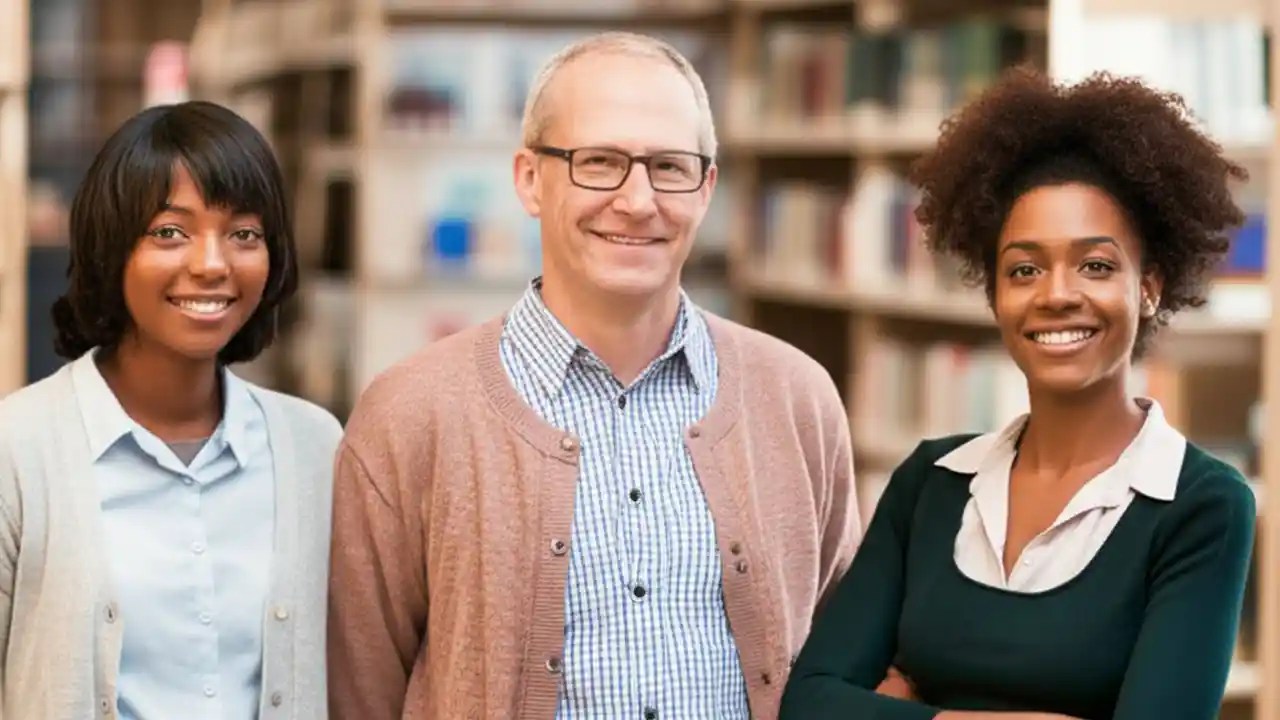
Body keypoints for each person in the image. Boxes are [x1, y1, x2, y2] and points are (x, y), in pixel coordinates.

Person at [327, 31, 860, 720]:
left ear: (706, 188)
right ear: (529, 178)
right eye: (599, 162)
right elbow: (359, 691)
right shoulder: (411, 414)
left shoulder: (796, 399)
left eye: (669, 166)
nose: (638, 200)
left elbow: (843, 661)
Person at [780, 67, 1257, 720]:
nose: (1057, 294)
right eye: (1025, 269)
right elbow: (809, 703)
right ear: (995, 293)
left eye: (1096, 264)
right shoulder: (930, 482)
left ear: (1147, 287)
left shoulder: (1199, 506)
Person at [0, 101, 341, 719]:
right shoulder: (17, 451)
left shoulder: (315, 447)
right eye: (170, 232)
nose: (211, 264)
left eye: (244, 233)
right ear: (111, 249)